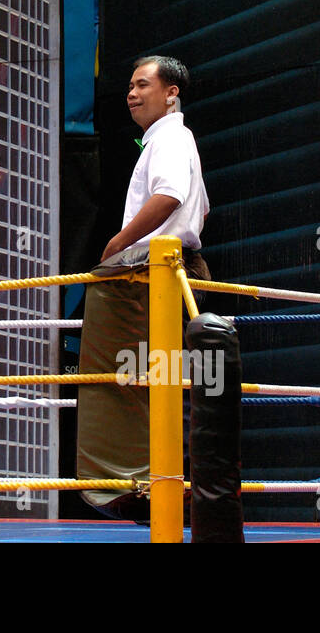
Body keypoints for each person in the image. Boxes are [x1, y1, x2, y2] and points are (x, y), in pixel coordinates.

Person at [77, 55, 210, 518]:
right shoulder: (173, 139)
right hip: (173, 268)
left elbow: (171, 195)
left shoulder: (170, 138)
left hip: (159, 272)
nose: (131, 94)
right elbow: (202, 210)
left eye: (142, 85)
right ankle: (162, 486)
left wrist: (117, 244)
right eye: (129, 87)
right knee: (161, 378)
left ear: (171, 92)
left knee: (152, 379)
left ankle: (162, 487)